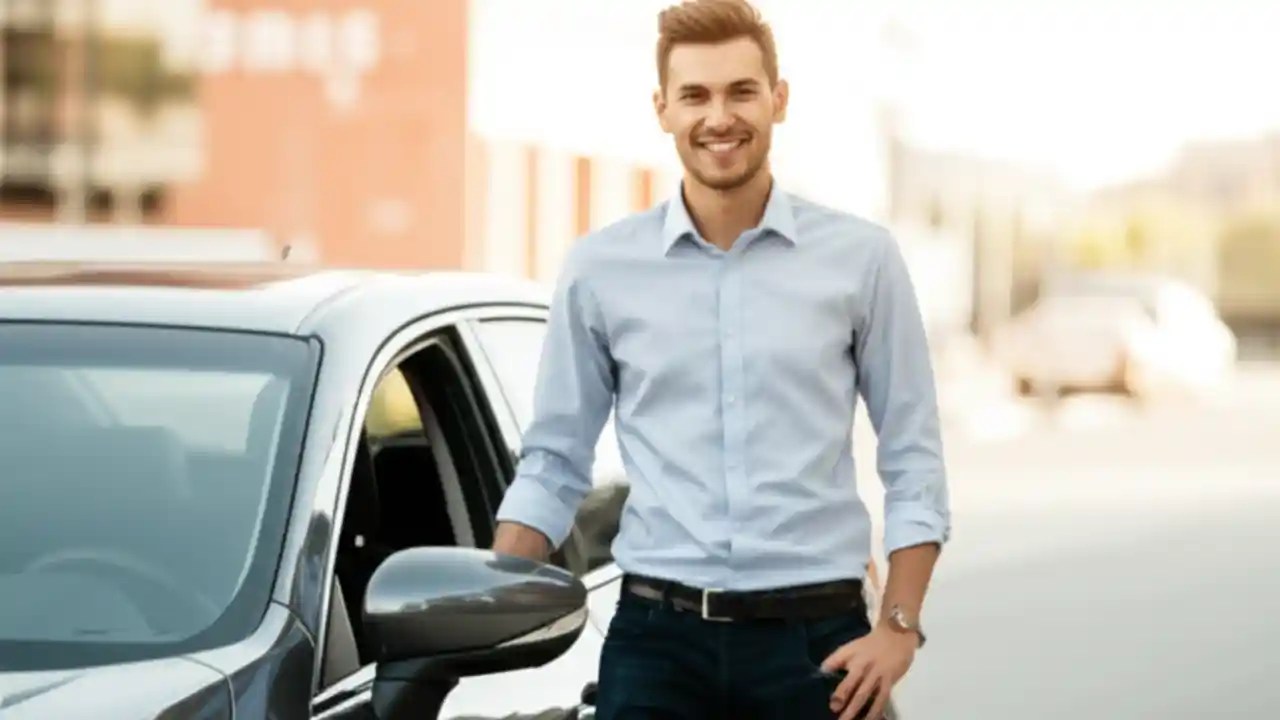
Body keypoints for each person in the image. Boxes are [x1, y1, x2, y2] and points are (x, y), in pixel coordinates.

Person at [492, 1, 951, 718]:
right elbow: (553, 461)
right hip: (656, 646)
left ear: (779, 98)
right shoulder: (601, 269)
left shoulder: (861, 261)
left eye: (741, 91)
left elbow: (913, 455)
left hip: (818, 643)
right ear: (663, 109)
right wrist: (488, 601)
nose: (719, 117)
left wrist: (899, 627)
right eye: (695, 96)